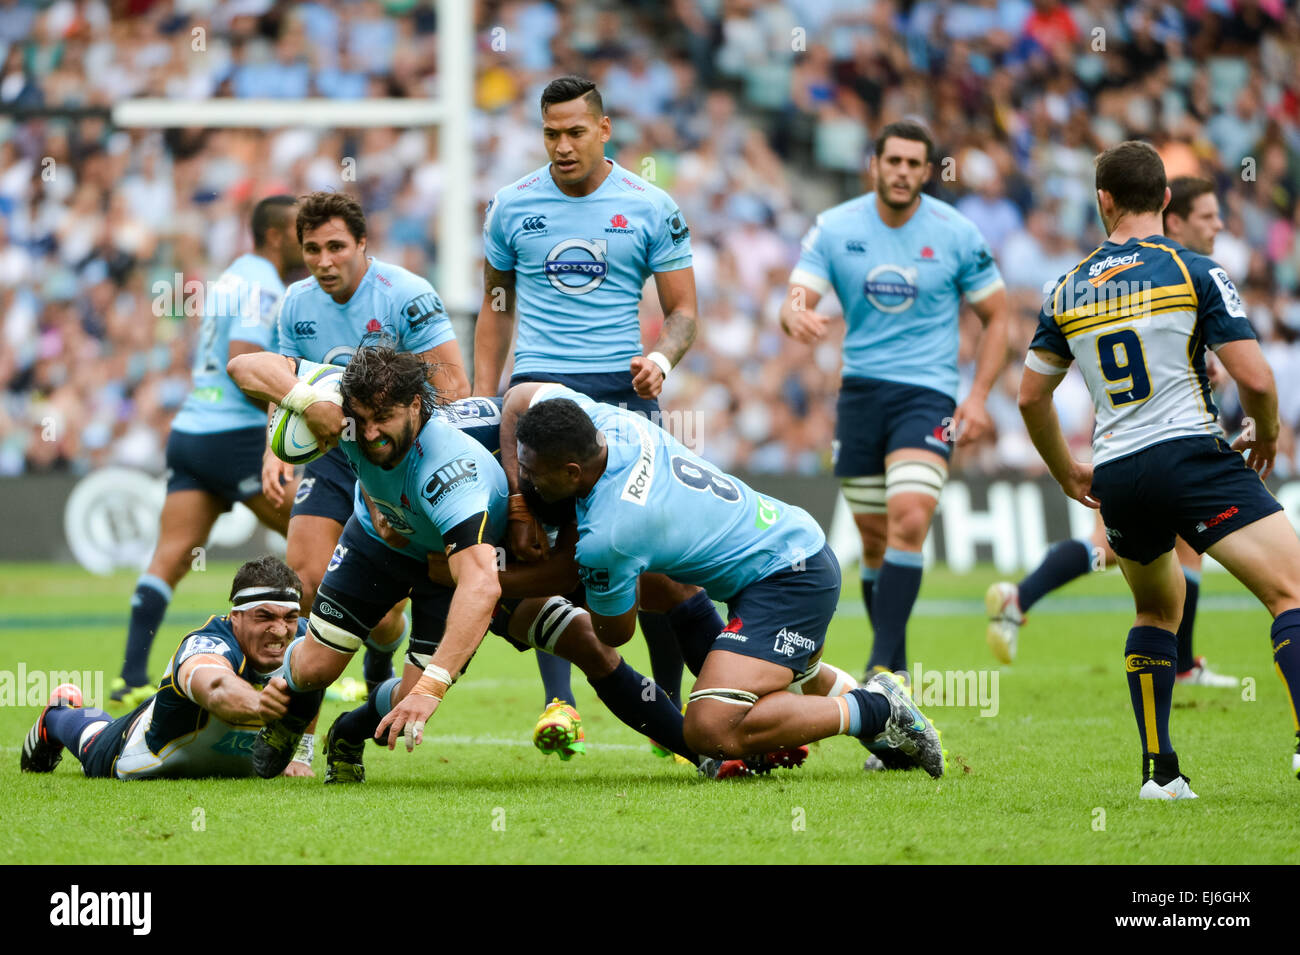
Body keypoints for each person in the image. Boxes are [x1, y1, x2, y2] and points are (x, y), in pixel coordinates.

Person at [228, 346, 698, 779]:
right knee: (313, 669)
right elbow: (244, 366)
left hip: (458, 561)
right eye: (361, 420)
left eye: (383, 420)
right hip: (379, 545)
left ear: (416, 406)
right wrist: (303, 399)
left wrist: (433, 686)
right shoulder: (345, 398)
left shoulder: (455, 472)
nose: (369, 434)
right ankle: (290, 711)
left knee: (580, 644)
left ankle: (706, 750)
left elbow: (481, 583)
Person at [1017, 140, 1300, 798]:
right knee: (1290, 591)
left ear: (1103, 201)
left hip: (1117, 471)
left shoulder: (1067, 286)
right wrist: (1268, 430)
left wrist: (1067, 471)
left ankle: (1160, 772)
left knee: (1155, 608)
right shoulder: (1193, 268)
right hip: (1189, 455)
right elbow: (1254, 376)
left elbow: (1031, 396)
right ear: (1167, 200)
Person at [497, 382, 945, 777]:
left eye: (532, 472)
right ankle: (891, 745)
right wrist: (520, 500)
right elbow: (518, 398)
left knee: (709, 727)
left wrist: (499, 583)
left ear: (573, 472)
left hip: (789, 577)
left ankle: (877, 708)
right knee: (787, 673)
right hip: (785, 547)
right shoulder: (607, 422)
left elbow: (613, 633)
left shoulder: (611, 535)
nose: (526, 478)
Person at [474, 75, 700, 760]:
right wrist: (486, 402)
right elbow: (494, 309)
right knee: (544, 546)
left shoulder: (650, 205)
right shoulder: (512, 205)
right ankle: (561, 702)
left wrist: (662, 357)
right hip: (540, 392)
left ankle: (672, 701)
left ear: (604, 131)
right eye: (550, 133)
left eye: (575, 132)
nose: (562, 146)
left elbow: (685, 312)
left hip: (626, 393)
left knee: (648, 554)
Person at [779, 120, 1010, 696]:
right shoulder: (836, 227)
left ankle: (879, 668)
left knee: (909, 520)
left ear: (927, 172)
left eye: (915, 163)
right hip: (859, 396)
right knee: (876, 541)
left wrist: (977, 397)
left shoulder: (956, 233)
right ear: (875, 165)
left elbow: (999, 316)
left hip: (927, 395)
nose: (903, 172)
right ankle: (897, 683)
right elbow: (794, 297)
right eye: (894, 161)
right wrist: (797, 315)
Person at [986, 176, 1237, 688]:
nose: (1219, 224)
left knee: (1131, 549)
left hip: (1125, 437)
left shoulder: (1117, 271)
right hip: (1157, 435)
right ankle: (1180, 664)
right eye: (1209, 216)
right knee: (1125, 550)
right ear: (1176, 214)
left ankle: (1024, 598)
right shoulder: (1179, 269)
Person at [268, 191, 470, 698]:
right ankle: (302, 740)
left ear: (362, 243)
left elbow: (453, 388)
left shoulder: (406, 294)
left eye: (336, 246)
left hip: (396, 459)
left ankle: (383, 650)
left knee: (380, 617)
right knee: (305, 583)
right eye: (312, 249)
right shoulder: (295, 303)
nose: (324, 260)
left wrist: (416, 473)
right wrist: (273, 450)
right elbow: (281, 384)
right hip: (334, 454)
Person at [109, 196, 303, 708]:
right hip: (233, 436)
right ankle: (338, 670)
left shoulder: (232, 276)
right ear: (278, 235)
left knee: (168, 560)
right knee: (315, 544)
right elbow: (244, 362)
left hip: (191, 431)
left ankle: (130, 678)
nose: (309, 246)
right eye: (300, 234)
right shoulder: (263, 285)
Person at [22, 556, 314, 779]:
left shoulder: (302, 636)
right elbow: (216, 688)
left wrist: (301, 753)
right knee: (93, 735)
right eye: (264, 616)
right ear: (235, 616)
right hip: (141, 755)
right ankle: (57, 713)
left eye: (289, 617)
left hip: (227, 758)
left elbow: (320, 672)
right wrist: (260, 704)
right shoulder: (207, 644)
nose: (279, 631)